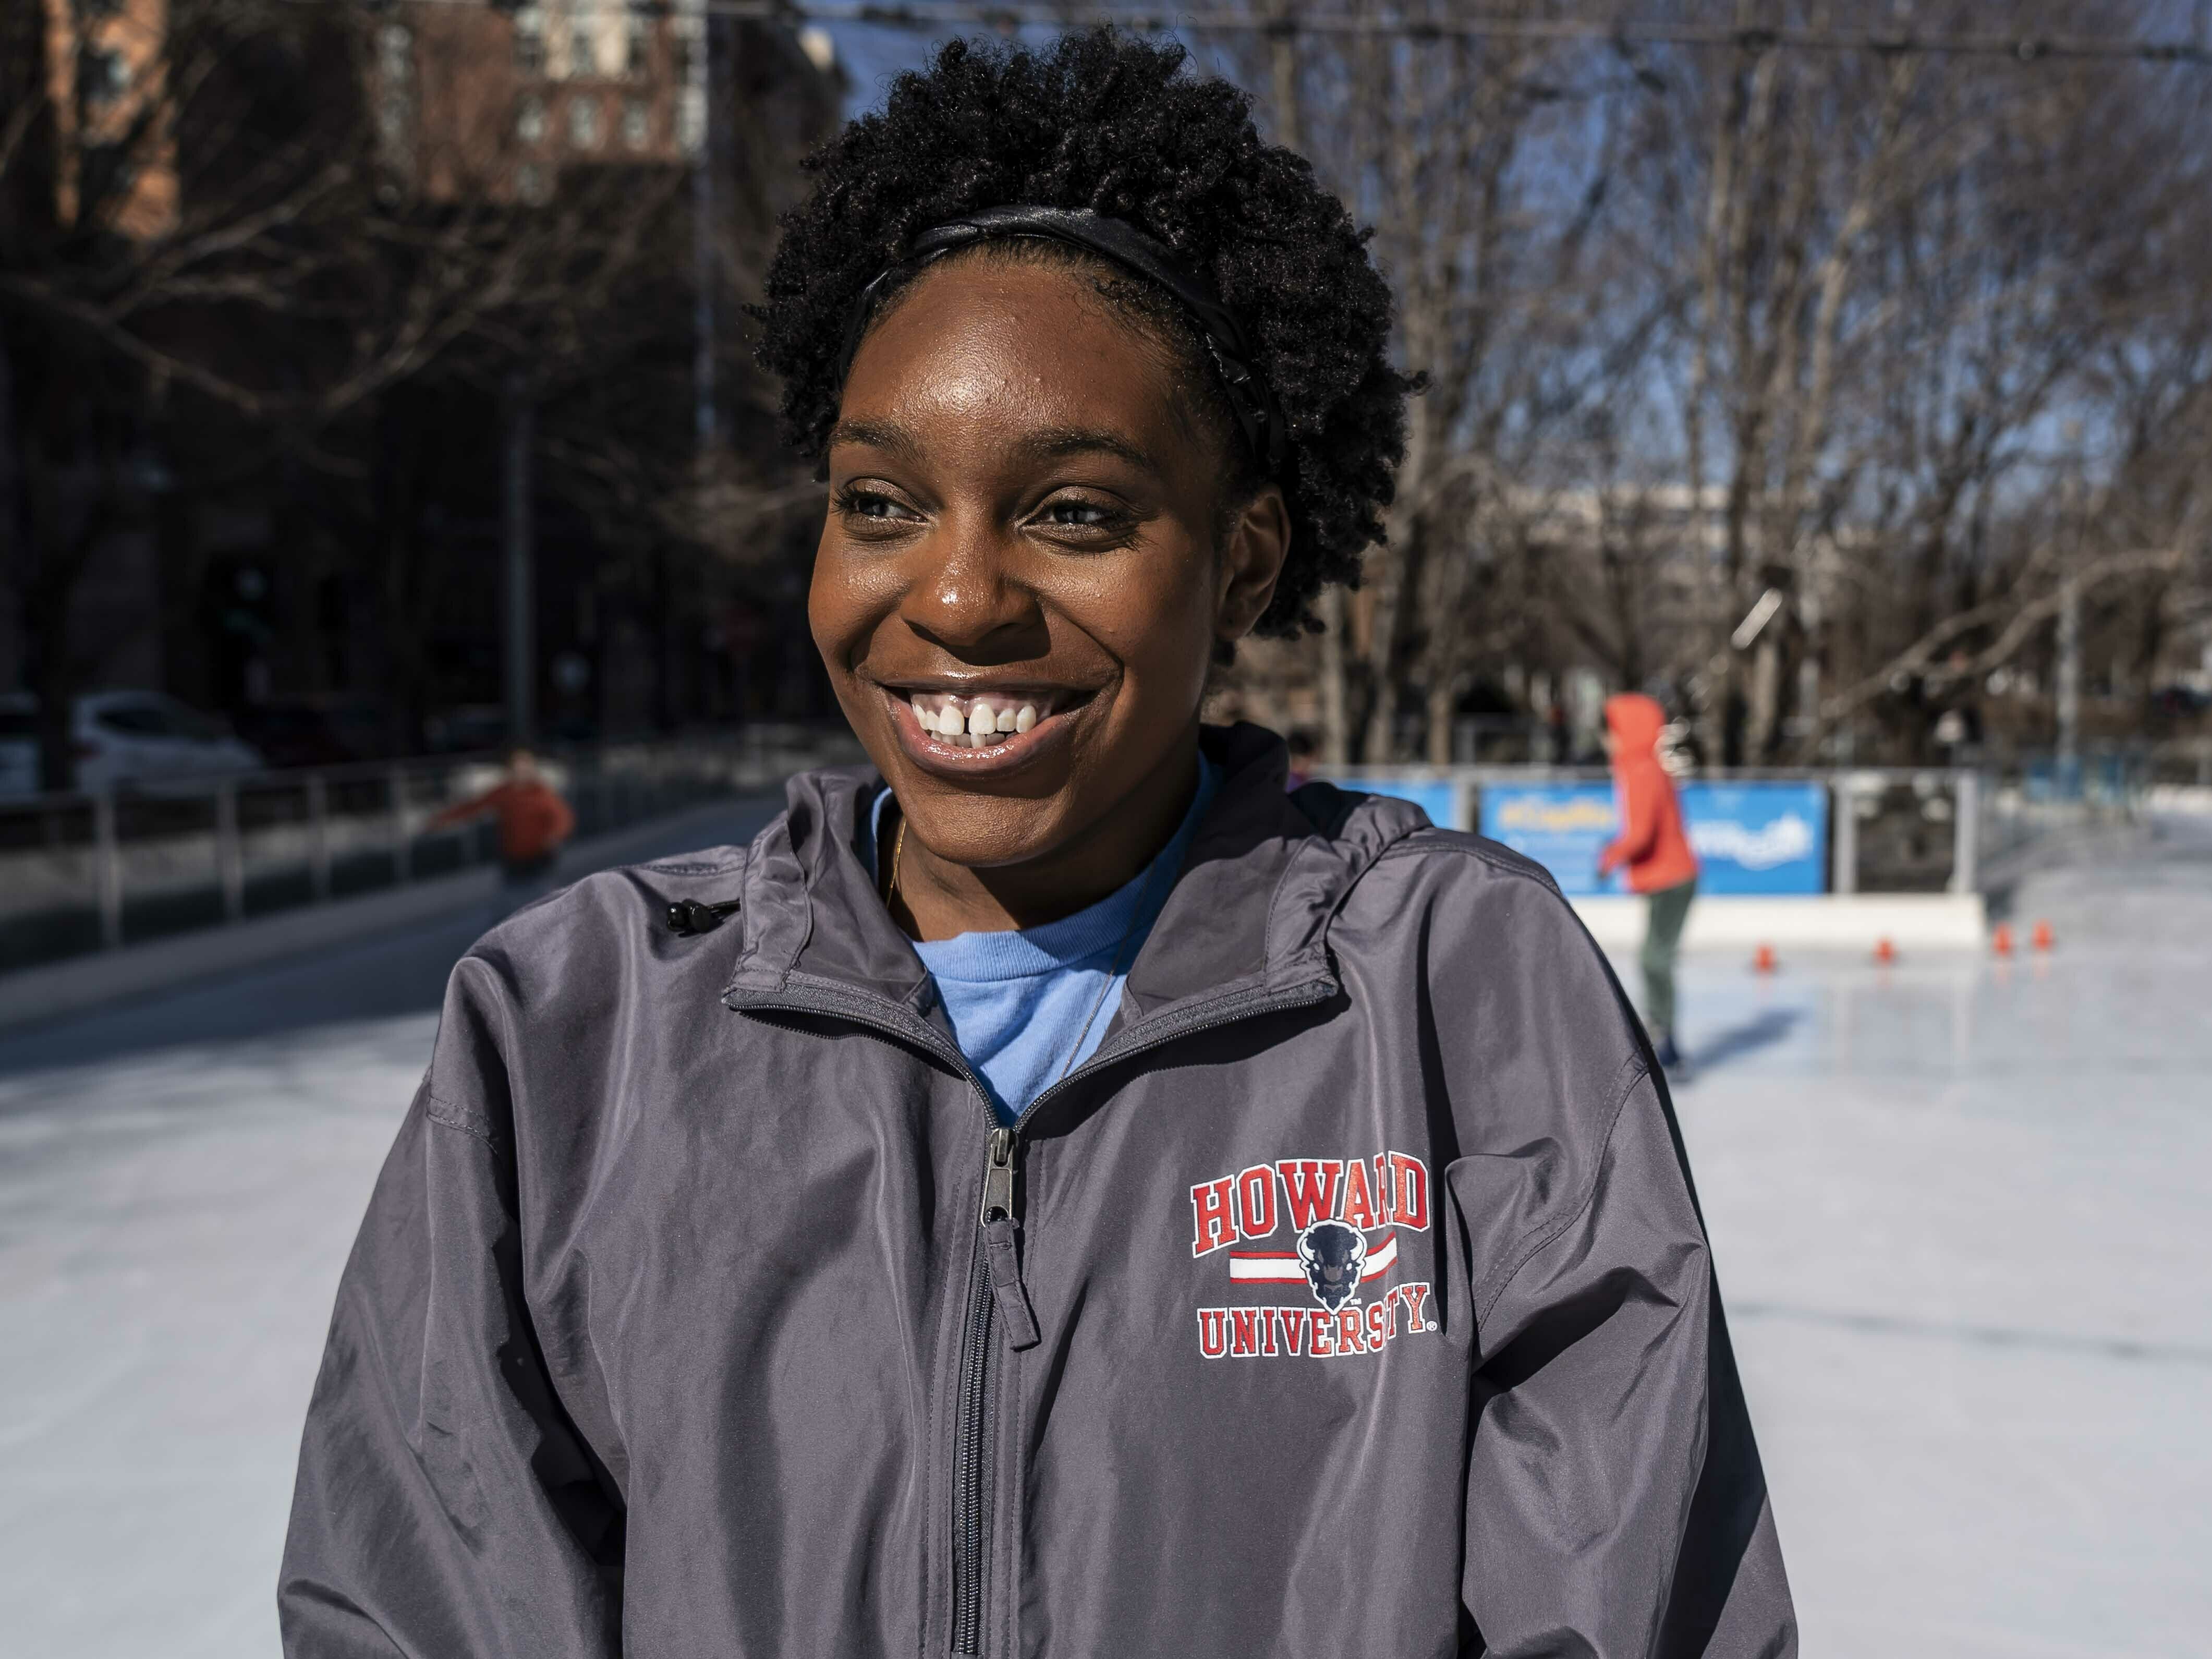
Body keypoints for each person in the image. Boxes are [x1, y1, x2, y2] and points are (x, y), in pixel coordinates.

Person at [279, 34, 1793, 1658]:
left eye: (1074, 512)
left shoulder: (1454, 991)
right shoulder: (572, 1034)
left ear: (1247, 554)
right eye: (879, 501)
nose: (953, 597)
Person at [1597, 694, 1700, 1070]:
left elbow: (1641, 833)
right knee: (1652, 957)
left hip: (1673, 878)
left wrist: (1609, 858)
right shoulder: (1642, 767)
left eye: (1610, 733)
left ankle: (1666, 1037)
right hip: (1668, 877)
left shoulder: (1641, 770)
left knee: (1655, 957)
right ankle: (1661, 1030)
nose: (1606, 742)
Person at [426, 744, 576, 915]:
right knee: (507, 908)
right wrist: (442, 820)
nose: (520, 771)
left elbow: (562, 818)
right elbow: (474, 807)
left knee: (544, 903)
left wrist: (555, 836)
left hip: (539, 859)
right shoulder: (504, 793)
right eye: (516, 767)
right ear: (509, 769)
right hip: (513, 860)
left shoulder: (542, 794)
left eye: (525, 766)